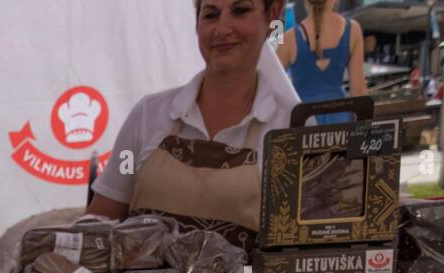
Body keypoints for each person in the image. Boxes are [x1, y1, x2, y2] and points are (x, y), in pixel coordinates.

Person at [87, 0, 299, 247]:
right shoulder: (146, 117)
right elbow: (104, 213)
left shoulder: (293, 127)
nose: (222, 29)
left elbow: (307, 250)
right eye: (210, 15)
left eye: (240, 11)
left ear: (272, 15)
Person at [277, 0, 368, 122]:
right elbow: (358, 90)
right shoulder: (353, 30)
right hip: (340, 119)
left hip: (303, 121)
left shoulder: (289, 38)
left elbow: (273, 89)